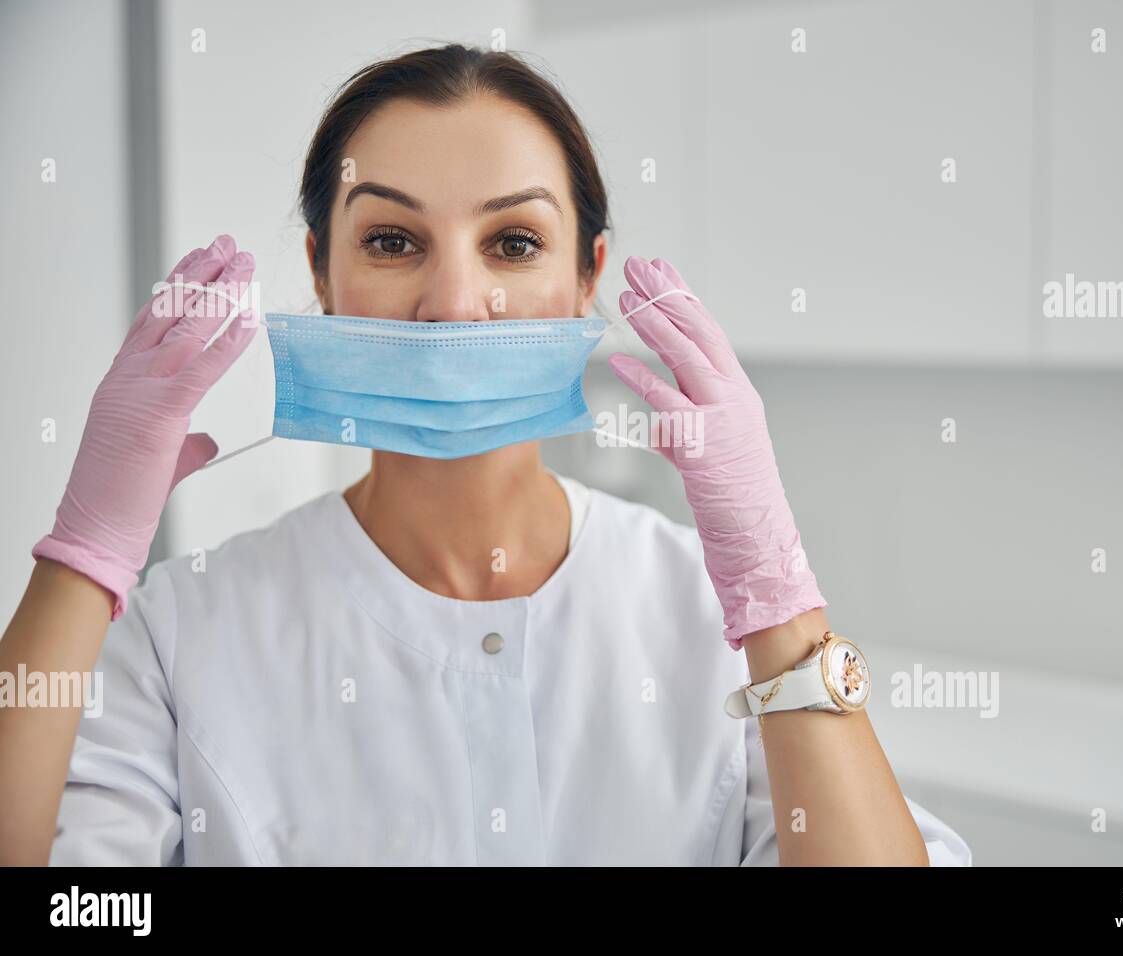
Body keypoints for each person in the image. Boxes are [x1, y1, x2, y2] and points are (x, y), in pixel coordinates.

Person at [0, 44, 971, 866]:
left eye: (511, 242)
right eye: (391, 239)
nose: (455, 303)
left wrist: (777, 594)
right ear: (320, 273)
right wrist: (83, 556)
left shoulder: (712, 617)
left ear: (587, 275)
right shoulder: (184, 631)